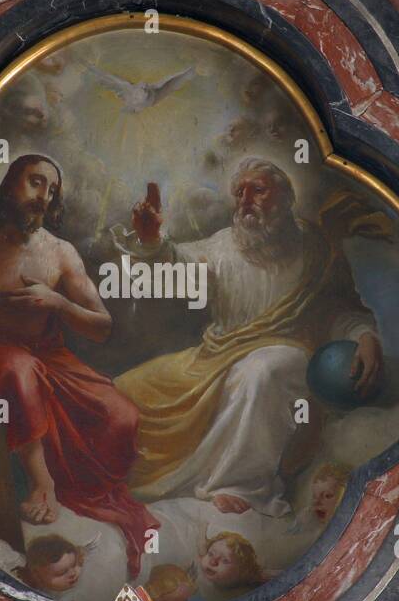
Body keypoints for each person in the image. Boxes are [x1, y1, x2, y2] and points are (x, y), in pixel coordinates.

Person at [0, 154, 158, 577]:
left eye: (51, 191)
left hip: (50, 355)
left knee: (123, 415)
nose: (43, 197)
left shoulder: (60, 252)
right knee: (19, 371)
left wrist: (57, 302)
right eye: (35, 183)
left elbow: (101, 326)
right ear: (10, 184)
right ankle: (42, 482)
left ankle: (84, 493)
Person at [112, 157, 383, 517]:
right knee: (127, 389)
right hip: (217, 354)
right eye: (239, 192)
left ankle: (241, 485)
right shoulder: (222, 247)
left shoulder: (315, 249)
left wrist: (365, 335)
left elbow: (338, 310)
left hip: (290, 352)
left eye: (258, 189)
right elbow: (177, 267)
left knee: (260, 372)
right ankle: (131, 480)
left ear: (286, 198)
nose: (246, 199)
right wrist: (152, 243)